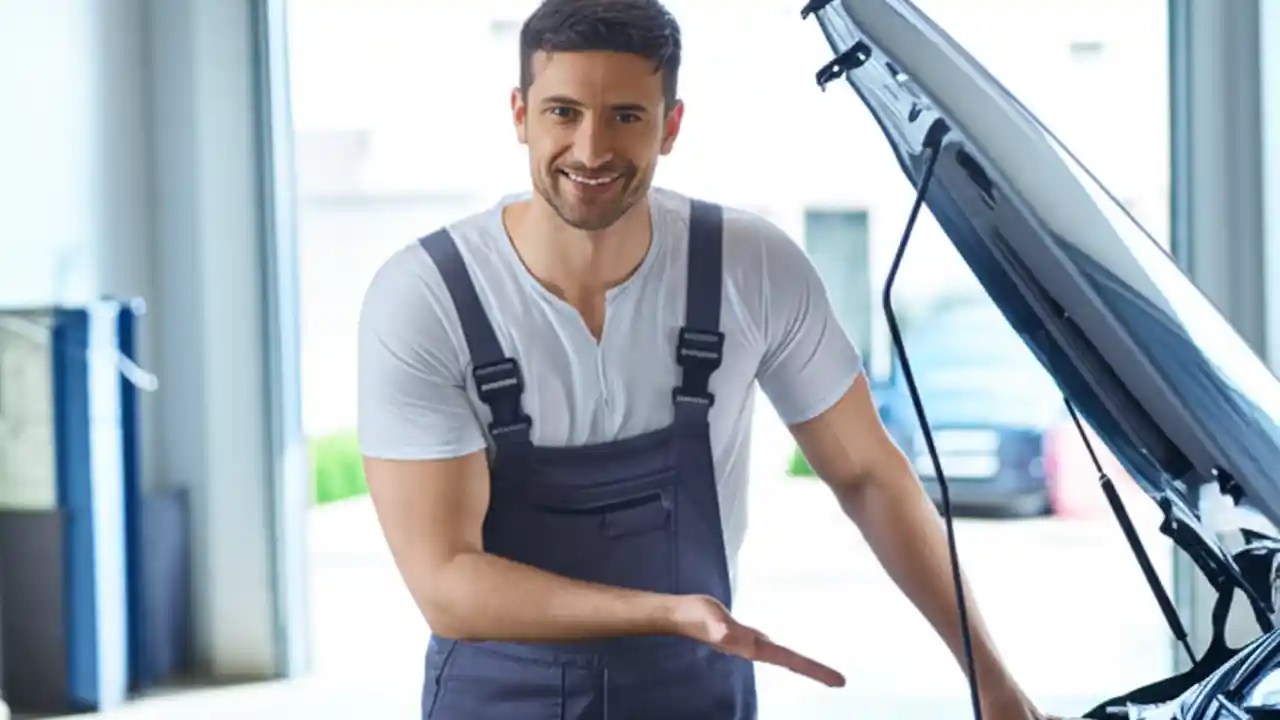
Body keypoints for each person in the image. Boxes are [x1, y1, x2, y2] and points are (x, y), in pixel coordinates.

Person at [357, 1, 1058, 718]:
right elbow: (445, 584)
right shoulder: (427, 296)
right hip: (498, 700)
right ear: (519, 115)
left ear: (671, 125)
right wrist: (666, 614)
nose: (591, 149)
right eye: (563, 113)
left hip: (694, 692)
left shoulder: (749, 268)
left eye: (626, 115)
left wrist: (992, 679)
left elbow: (870, 475)